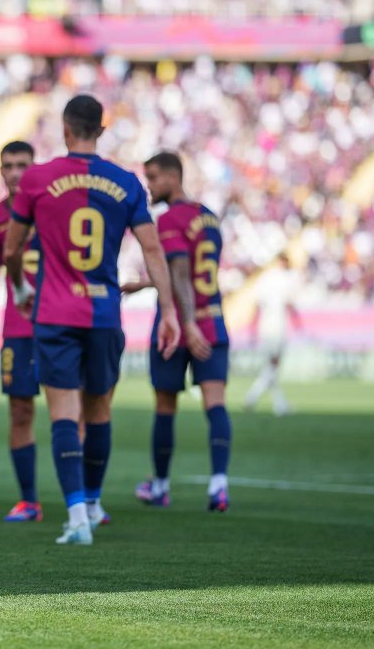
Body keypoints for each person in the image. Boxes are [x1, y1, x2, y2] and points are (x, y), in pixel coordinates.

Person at [4, 95, 180, 546]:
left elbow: (12, 248)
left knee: (63, 412)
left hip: (55, 313)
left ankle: (78, 515)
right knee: (99, 410)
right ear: (100, 130)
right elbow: (153, 250)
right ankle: (95, 500)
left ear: (65, 129)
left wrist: (22, 288)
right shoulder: (126, 182)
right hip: (104, 312)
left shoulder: (39, 179)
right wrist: (169, 310)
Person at [133, 152, 232, 512]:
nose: (150, 185)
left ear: (174, 178)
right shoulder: (208, 216)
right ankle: (219, 485)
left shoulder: (170, 218)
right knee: (215, 404)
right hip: (215, 320)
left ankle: (160, 486)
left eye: (154, 177)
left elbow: (179, 274)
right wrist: (145, 284)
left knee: (165, 405)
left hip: (177, 326)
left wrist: (186, 324)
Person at [0, 140, 44, 522]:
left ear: (34, 166)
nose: (16, 172)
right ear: (0, 171)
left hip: (59, 323)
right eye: (9, 166)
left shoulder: (53, 205)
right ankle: (29, 500)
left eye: (23, 164)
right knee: (20, 412)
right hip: (17, 330)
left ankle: (86, 499)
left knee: (79, 408)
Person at [244, 253, 302, 416]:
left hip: (266, 326)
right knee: (273, 367)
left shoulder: (265, 278)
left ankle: (280, 405)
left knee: (271, 367)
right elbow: (289, 304)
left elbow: (256, 305)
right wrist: (298, 324)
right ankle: (252, 398)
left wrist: (253, 328)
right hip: (278, 326)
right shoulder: (285, 279)